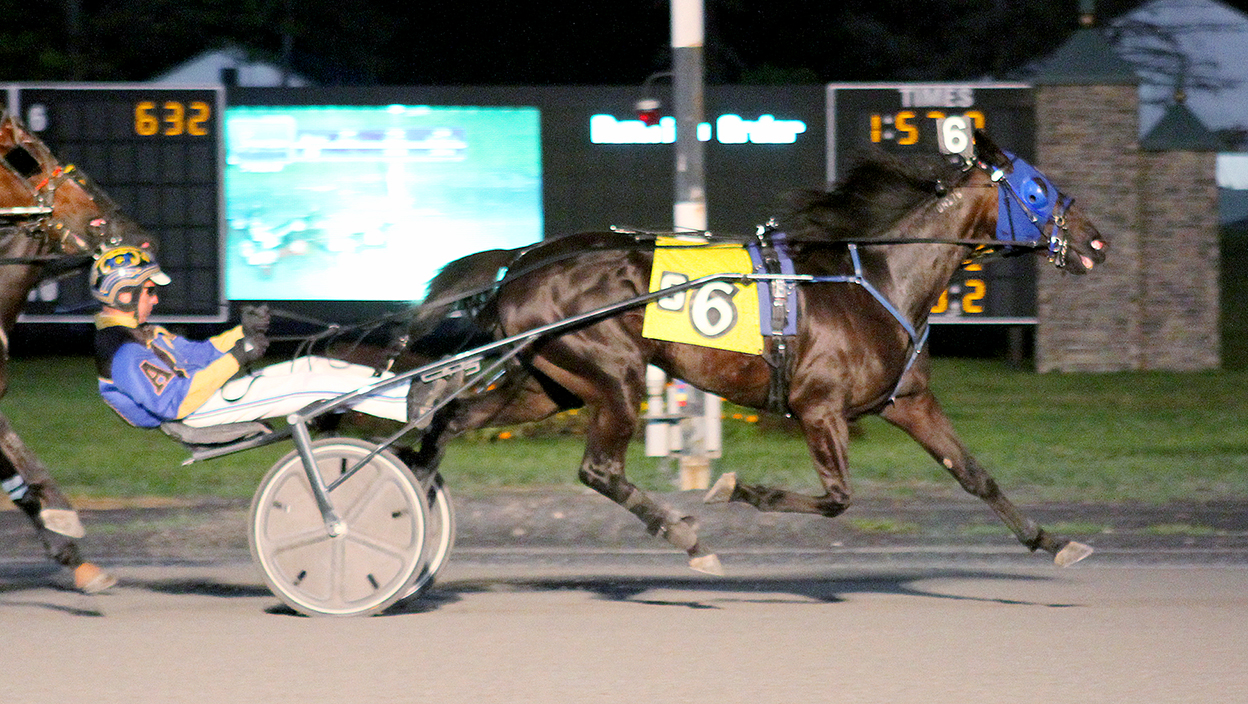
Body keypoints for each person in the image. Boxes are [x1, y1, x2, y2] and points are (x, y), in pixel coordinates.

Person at [92, 246, 411, 433]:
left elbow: (201, 354)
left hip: (205, 396)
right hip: (196, 412)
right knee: (312, 383)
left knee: (311, 364)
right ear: (124, 295)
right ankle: (409, 406)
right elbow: (174, 403)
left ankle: (405, 388)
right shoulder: (122, 350)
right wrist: (237, 357)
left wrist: (241, 333)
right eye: (150, 291)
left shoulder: (144, 333)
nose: (156, 300)